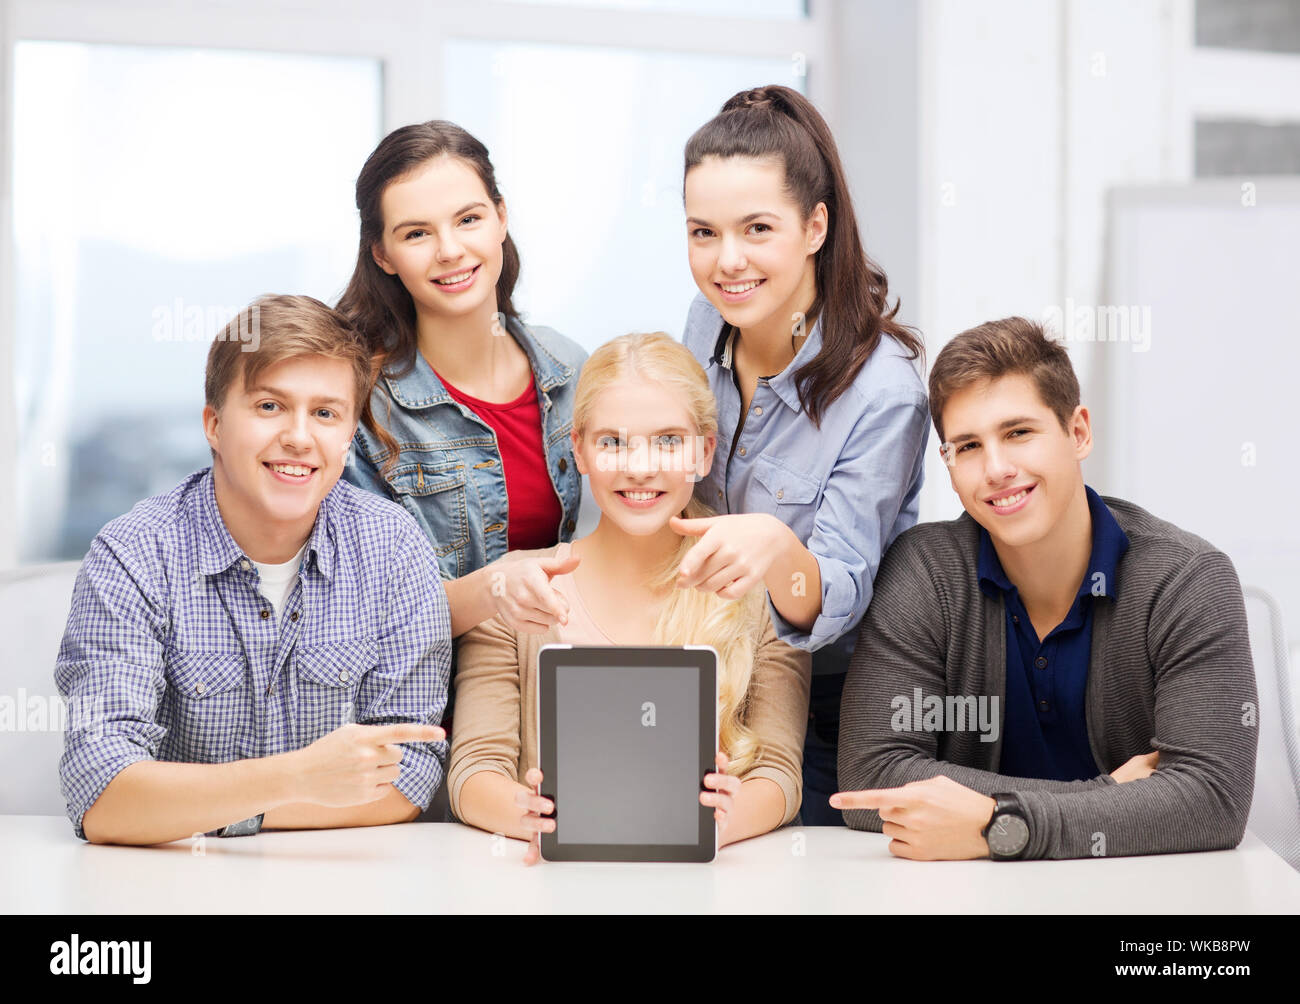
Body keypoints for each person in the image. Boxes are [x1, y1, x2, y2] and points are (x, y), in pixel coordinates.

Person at [833, 317, 1258, 860]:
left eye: (1018, 433)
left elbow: (1212, 801)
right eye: (966, 447)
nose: (996, 469)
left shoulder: (1187, 580)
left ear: (1078, 432)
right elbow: (873, 778)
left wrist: (998, 824)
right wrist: (1109, 801)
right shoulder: (924, 573)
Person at [55, 295, 450, 845]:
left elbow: (410, 775)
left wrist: (226, 811)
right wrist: (298, 778)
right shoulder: (133, 554)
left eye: (326, 413)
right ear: (213, 424)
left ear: (348, 435)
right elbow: (103, 795)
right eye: (269, 407)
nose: (298, 437)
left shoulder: (394, 548)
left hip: (342, 882)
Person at [448, 332, 811, 863]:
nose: (639, 468)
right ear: (579, 450)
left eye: (667, 440)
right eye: (612, 442)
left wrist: (723, 819)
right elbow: (475, 770)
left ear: (704, 451)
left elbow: (779, 774)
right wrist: (532, 815)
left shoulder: (758, 591)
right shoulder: (518, 588)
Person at [677, 85, 929, 823]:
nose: (727, 262)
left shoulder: (884, 393)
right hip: (713, 673)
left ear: (815, 225)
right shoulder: (707, 319)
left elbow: (844, 593)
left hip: (825, 704)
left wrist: (776, 548)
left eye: (757, 228)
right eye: (702, 232)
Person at [338, 121, 588, 640]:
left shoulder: (571, 369)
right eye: (416, 233)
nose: (449, 250)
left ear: (501, 217)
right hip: (430, 705)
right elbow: (368, 616)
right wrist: (495, 587)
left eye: (468, 219)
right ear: (382, 254)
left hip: (567, 680)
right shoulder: (358, 408)